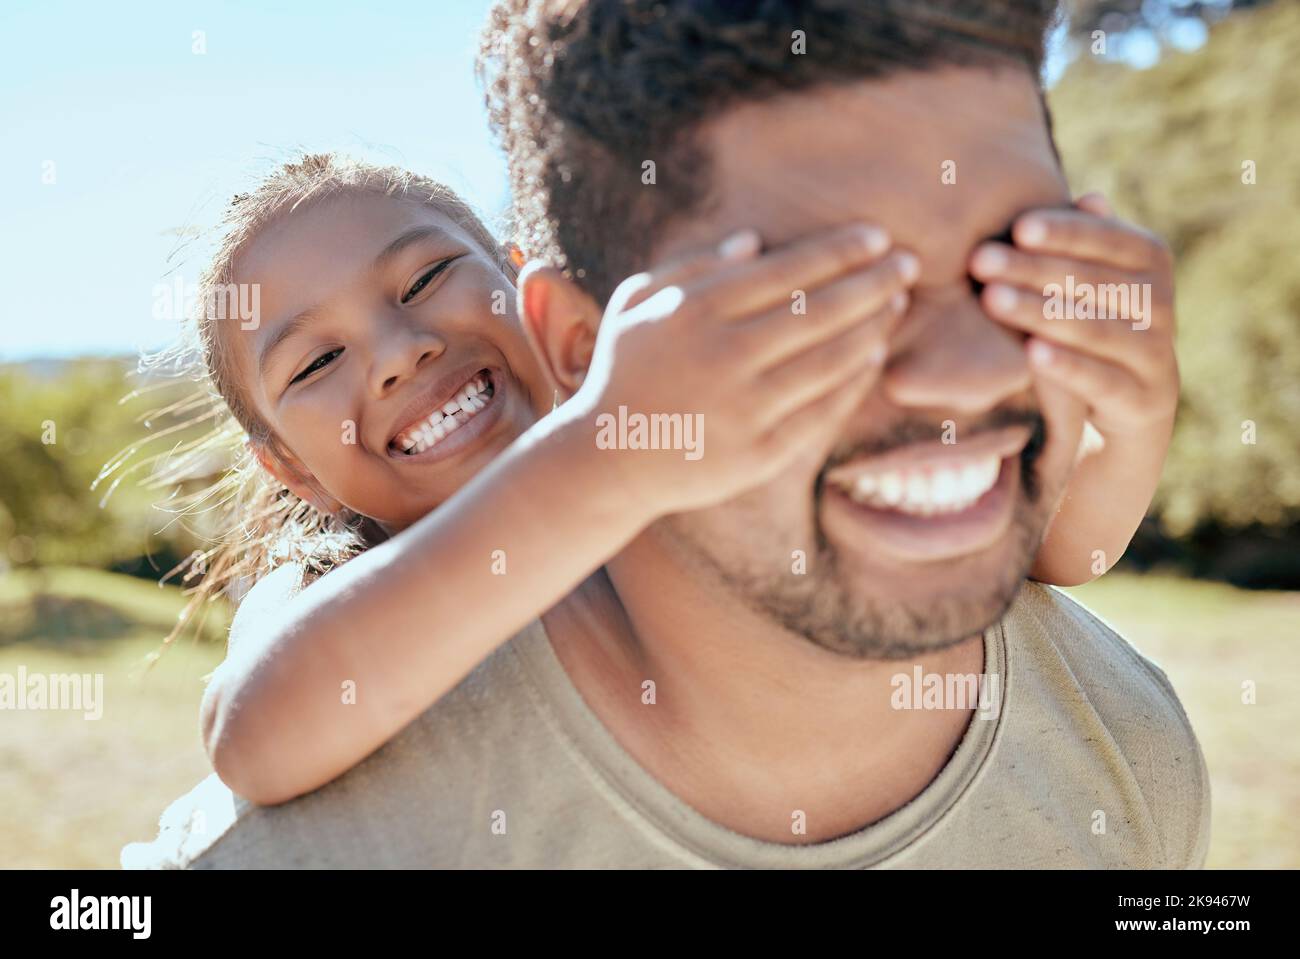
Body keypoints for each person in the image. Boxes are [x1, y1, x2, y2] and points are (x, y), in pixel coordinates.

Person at [124, 0, 1208, 869]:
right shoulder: (333, 589)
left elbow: (1062, 554)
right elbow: (258, 739)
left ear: (521, 295)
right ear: (286, 468)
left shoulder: (1121, 750)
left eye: (425, 276)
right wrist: (612, 447)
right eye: (313, 363)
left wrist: (1135, 398)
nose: (398, 350)